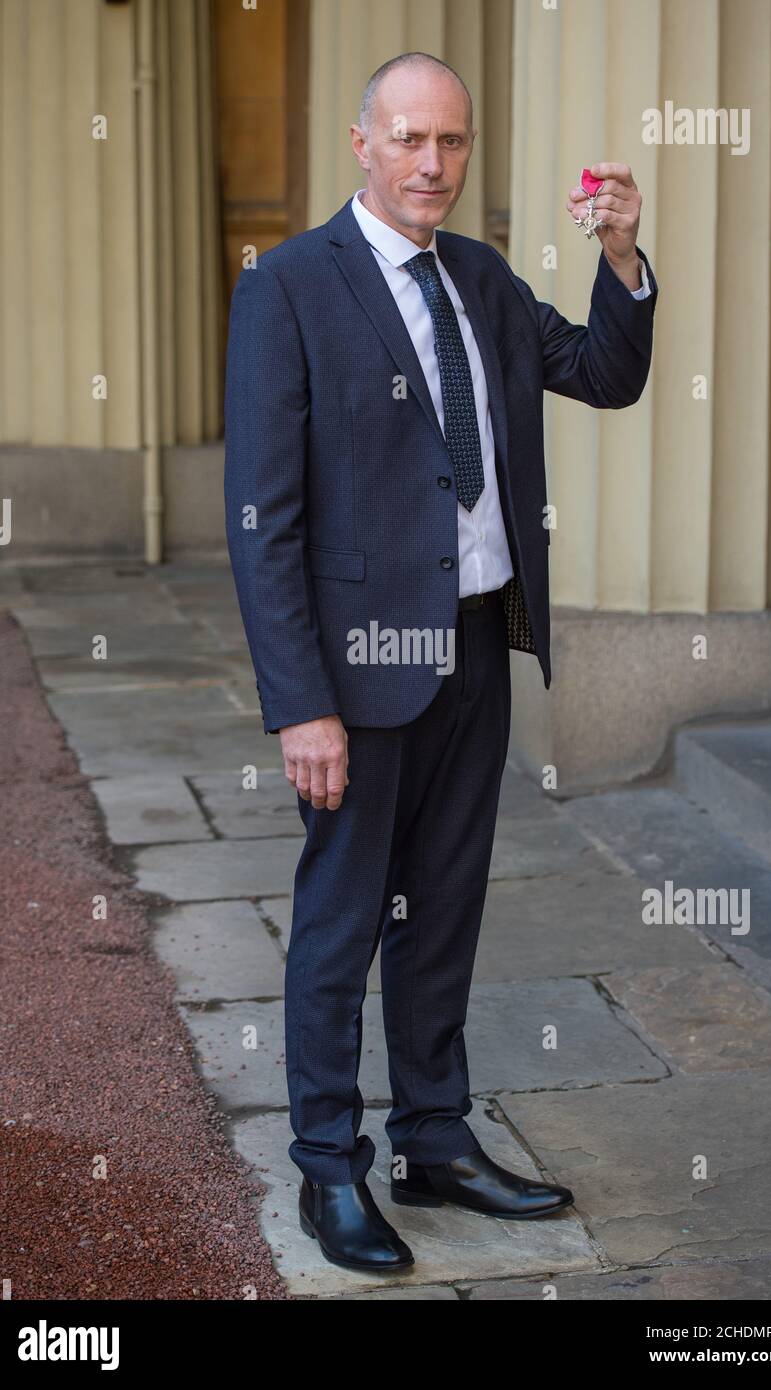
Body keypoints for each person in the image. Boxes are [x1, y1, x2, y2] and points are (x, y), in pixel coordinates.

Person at [224, 51, 657, 1273]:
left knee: (444, 908)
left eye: (451, 144)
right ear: (360, 144)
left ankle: (433, 1138)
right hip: (357, 669)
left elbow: (608, 375)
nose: (430, 164)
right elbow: (262, 515)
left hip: (475, 638)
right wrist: (297, 702)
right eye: (408, 139)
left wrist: (621, 258)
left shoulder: (480, 276)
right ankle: (327, 1168)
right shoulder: (291, 287)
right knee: (342, 917)